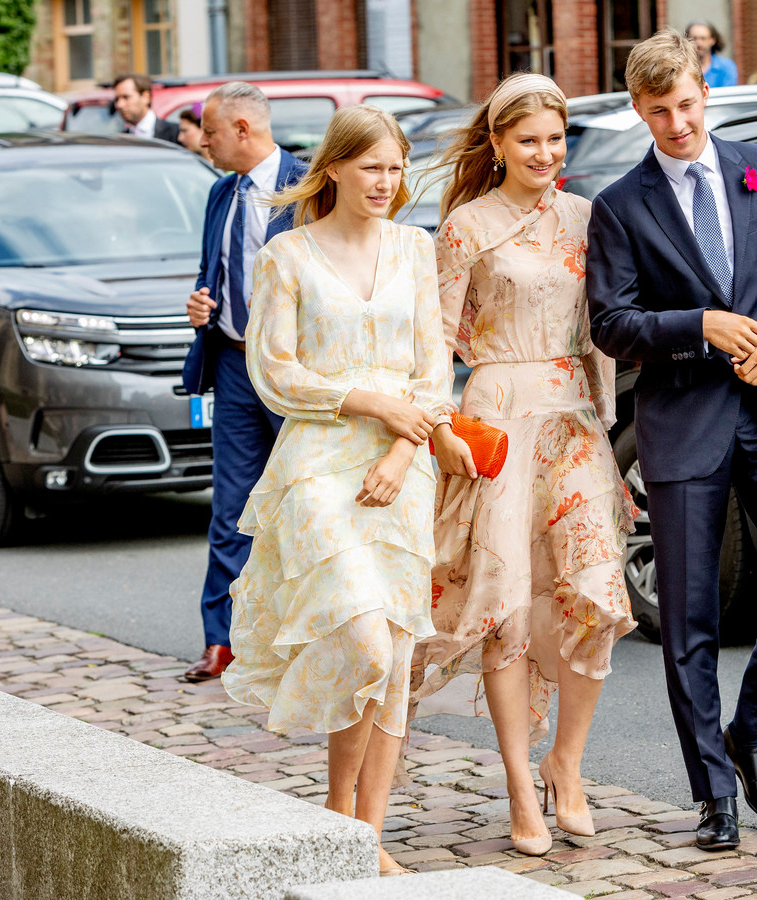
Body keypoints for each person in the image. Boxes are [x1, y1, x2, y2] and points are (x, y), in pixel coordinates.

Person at [586, 30, 757, 850]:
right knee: (688, 624)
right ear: (639, 110)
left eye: (687, 105)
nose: (678, 124)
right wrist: (701, 326)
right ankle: (714, 792)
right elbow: (613, 324)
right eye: (659, 112)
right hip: (684, 426)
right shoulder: (621, 205)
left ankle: (750, 727)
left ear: (705, 95)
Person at [409, 73, 637, 857]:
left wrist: (606, 433)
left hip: (573, 422)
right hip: (499, 416)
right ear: (498, 144)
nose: (546, 152)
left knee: (596, 595)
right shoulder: (466, 227)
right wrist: (439, 433)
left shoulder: (586, 217)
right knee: (505, 606)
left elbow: (604, 328)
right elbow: (434, 345)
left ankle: (564, 765)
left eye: (555, 137)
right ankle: (517, 783)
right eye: (529, 139)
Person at [220, 104, 449, 878]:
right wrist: (366, 402)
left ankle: (364, 831)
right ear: (336, 168)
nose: (385, 182)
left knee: (396, 652)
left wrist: (402, 442)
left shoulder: (416, 249)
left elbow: (434, 373)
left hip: (403, 465)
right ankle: (333, 804)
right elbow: (274, 371)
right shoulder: (286, 255)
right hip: (318, 462)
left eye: (395, 167)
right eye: (370, 166)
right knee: (363, 636)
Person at [180, 82, 307, 682]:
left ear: (240, 129)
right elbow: (216, 267)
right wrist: (201, 306)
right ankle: (221, 641)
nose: (201, 141)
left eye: (208, 130)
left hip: (295, 371)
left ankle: (305, 635)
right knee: (231, 504)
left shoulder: (309, 185)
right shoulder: (219, 193)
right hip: (232, 364)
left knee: (304, 501)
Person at [113, 73, 180, 143]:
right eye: (117, 99)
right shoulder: (120, 139)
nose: (119, 105)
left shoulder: (176, 133)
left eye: (126, 97)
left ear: (146, 97)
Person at [686, 21, 738, 89]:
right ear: (686, 40)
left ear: (712, 40)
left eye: (703, 38)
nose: (699, 43)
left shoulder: (726, 66)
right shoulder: (681, 68)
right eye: (694, 38)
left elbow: (728, 95)